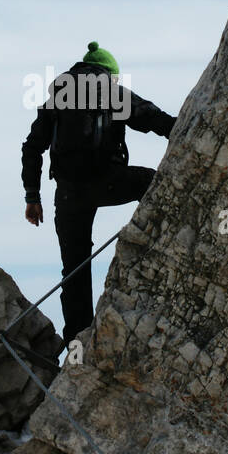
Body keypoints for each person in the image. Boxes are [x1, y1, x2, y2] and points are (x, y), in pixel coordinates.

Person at [21, 41, 177, 345]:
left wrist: (32, 196)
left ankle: (76, 345)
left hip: (67, 194)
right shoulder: (108, 89)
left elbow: (32, 148)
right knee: (155, 184)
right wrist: (183, 130)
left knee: (74, 269)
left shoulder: (59, 97)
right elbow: (150, 117)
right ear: (109, 73)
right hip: (107, 181)